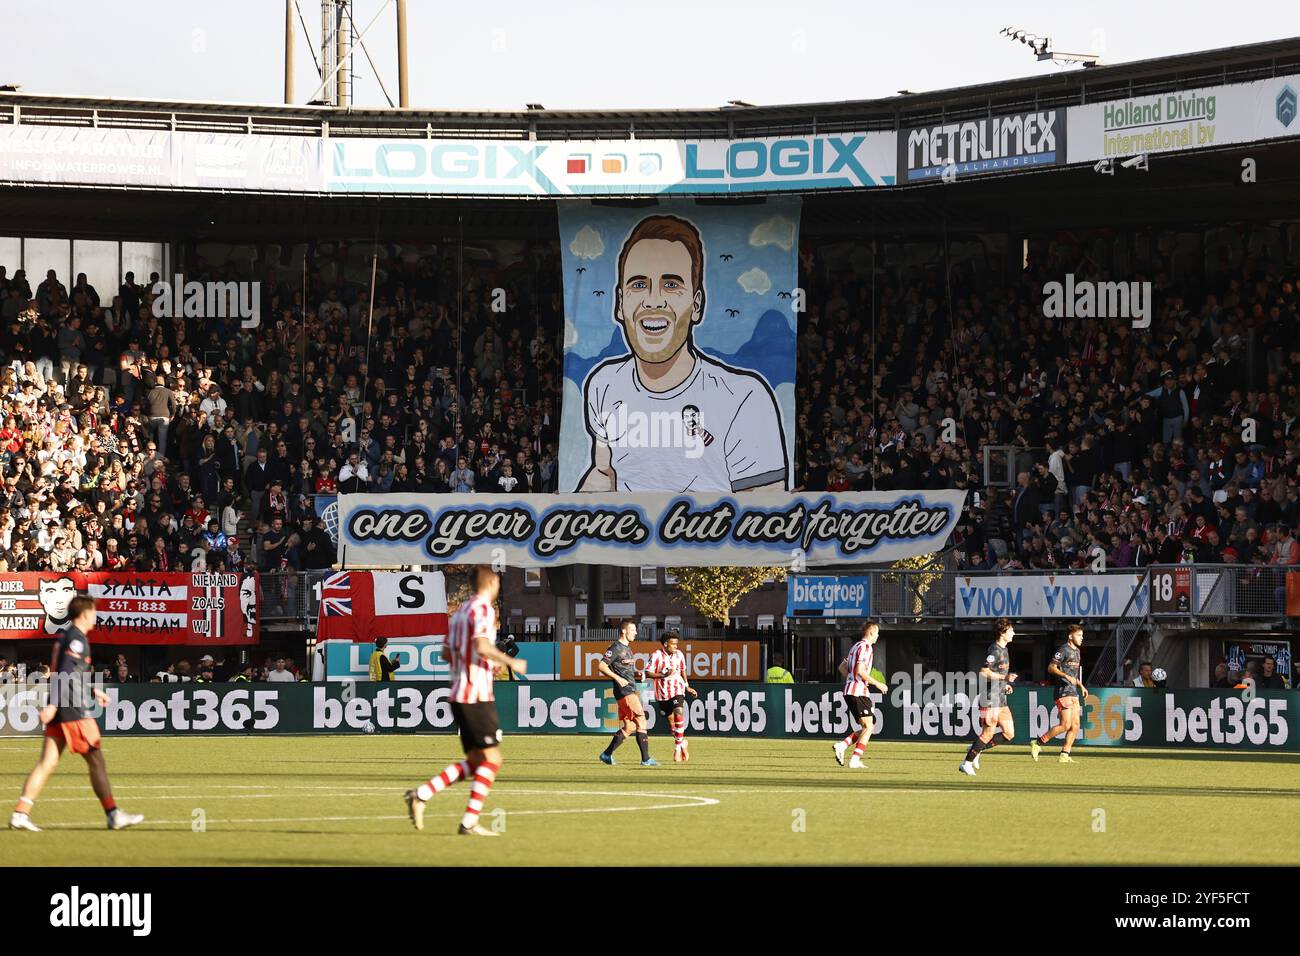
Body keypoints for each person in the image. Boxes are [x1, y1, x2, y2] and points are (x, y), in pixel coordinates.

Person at [576, 214, 788, 493]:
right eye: (638, 284)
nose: (653, 300)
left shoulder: (745, 398)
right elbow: (604, 472)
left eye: (671, 284)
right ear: (620, 303)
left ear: (696, 304)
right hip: (634, 535)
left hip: (710, 536)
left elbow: (764, 509)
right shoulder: (603, 384)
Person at [404, 566, 526, 836]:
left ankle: (422, 794)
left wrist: (479, 661)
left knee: (476, 761)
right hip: (476, 695)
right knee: (492, 760)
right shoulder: (483, 610)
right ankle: (468, 821)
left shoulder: (459, 612)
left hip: (458, 693)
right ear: (492, 582)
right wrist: (509, 661)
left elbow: (447, 653)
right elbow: (482, 646)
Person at [10, 595, 144, 832]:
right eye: (93, 612)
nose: (95, 617)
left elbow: (72, 674)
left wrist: (92, 691)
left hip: (65, 705)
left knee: (48, 762)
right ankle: (113, 814)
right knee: (96, 760)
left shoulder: (66, 638)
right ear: (84, 614)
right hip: (73, 708)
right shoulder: (77, 640)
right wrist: (53, 705)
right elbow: (64, 673)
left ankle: (21, 813)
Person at [959, 618, 1018, 777]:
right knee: (987, 733)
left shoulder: (1004, 650)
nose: (1014, 633)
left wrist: (1004, 684)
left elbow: (998, 674)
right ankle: (967, 763)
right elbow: (984, 671)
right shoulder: (995, 650)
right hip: (990, 699)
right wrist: (1004, 678)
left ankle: (976, 749)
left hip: (1001, 698)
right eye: (1011, 630)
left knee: (1009, 733)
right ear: (1002, 632)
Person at [597, 620, 656, 767]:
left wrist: (637, 673)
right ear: (624, 631)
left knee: (629, 726)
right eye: (633, 629)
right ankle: (646, 759)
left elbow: (623, 669)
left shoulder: (628, 649)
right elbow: (601, 666)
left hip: (627, 690)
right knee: (641, 720)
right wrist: (618, 678)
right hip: (625, 692)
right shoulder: (616, 647)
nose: (636, 632)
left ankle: (606, 754)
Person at [832, 621, 887, 769]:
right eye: (876, 633)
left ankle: (842, 746)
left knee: (867, 726)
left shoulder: (855, 647)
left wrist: (852, 679)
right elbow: (860, 671)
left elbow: (842, 667)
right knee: (869, 727)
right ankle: (855, 759)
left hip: (851, 690)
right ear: (870, 633)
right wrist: (877, 683)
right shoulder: (866, 647)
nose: (877, 636)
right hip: (857, 691)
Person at [1031, 623, 1087, 763]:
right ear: (1070, 636)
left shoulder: (1077, 652)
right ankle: (1037, 743)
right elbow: (1051, 667)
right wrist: (1065, 676)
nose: (1081, 638)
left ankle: (1064, 754)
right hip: (1063, 691)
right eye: (1079, 635)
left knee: (1075, 725)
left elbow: (1073, 674)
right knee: (1065, 725)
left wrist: (1081, 686)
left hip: (1073, 692)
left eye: (1082, 635)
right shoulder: (1063, 649)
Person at [645, 631, 697, 762]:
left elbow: (683, 670)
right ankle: (682, 743)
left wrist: (687, 686)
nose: (676, 646)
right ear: (665, 644)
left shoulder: (679, 655)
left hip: (677, 690)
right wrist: (663, 675)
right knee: (672, 725)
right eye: (673, 644)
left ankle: (677, 749)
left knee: (679, 712)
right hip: (662, 694)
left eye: (677, 644)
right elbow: (648, 672)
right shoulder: (656, 655)